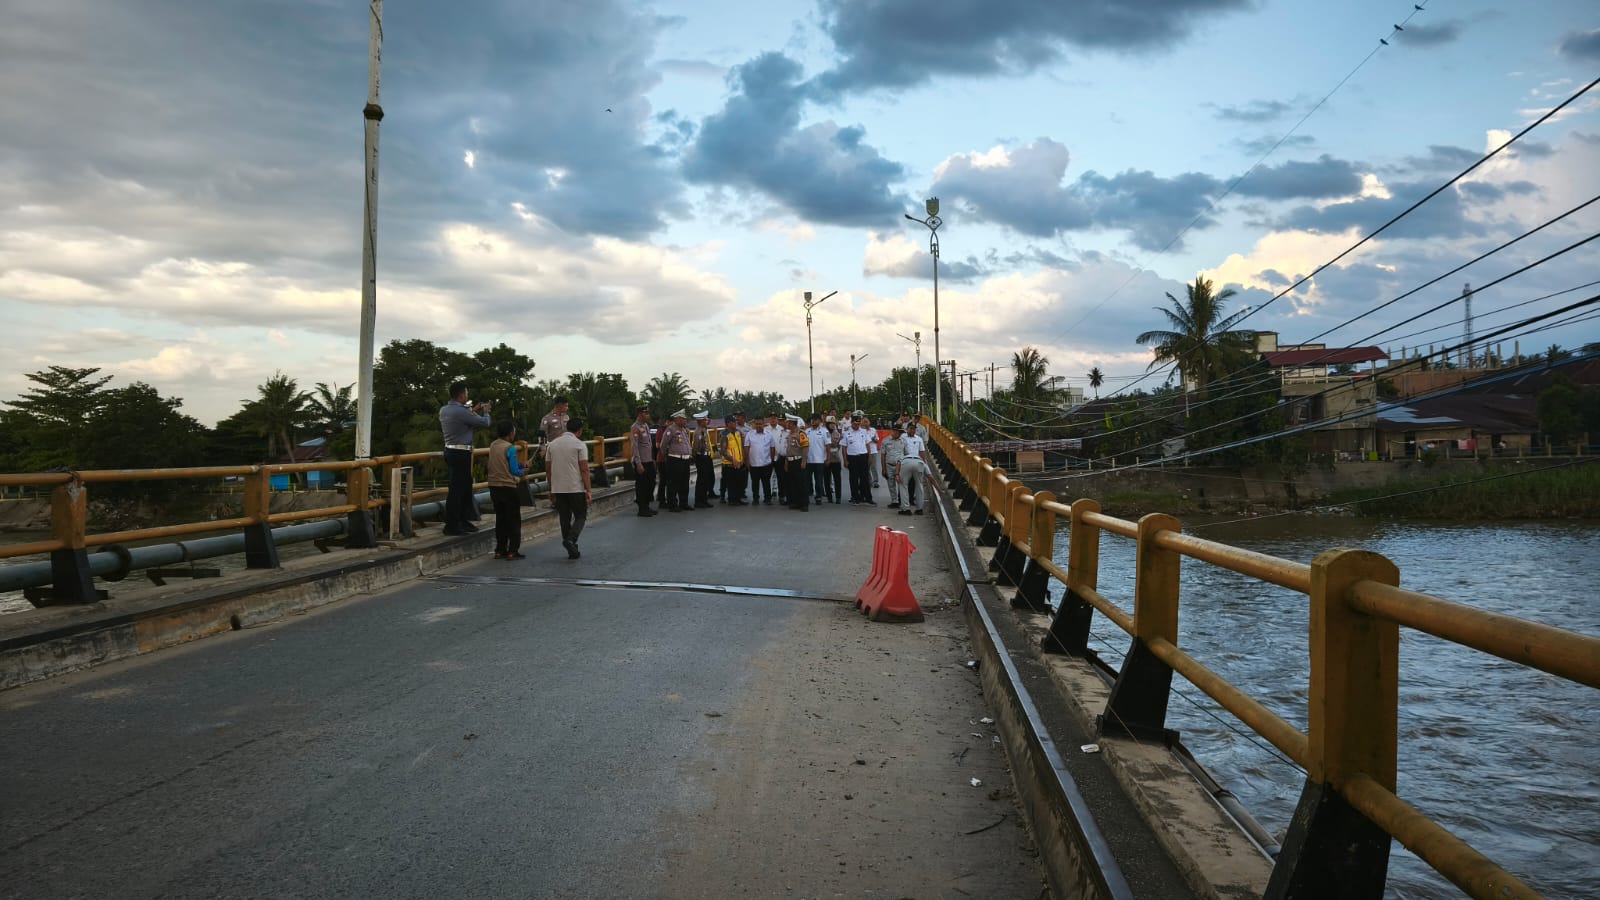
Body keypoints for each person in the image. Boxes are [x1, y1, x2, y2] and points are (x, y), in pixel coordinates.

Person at [439, 381, 491, 535]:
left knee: (465, 488)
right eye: (466, 393)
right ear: (461, 395)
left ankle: (462, 520)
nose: (467, 396)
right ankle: (452, 525)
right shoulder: (461, 412)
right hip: (461, 453)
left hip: (451, 451)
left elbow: (464, 421)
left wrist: (473, 410)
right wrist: (486, 411)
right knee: (457, 490)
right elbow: (485, 423)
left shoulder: (445, 410)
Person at [547, 418, 592, 559]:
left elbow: (548, 470)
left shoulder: (552, 445)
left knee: (564, 518)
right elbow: (584, 469)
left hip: (558, 487)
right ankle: (571, 540)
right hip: (575, 487)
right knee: (580, 516)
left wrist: (550, 489)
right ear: (579, 430)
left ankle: (571, 549)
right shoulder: (580, 445)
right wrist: (589, 490)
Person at [486, 419, 526, 559]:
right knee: (514, 519)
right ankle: (513, 550)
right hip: (508, 487)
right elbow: (514, 470)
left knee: (501, 519)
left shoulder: (493, 445)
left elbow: (503, 463)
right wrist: (523, 472)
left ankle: (500, 549)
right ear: (510, 433)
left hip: (494, 486)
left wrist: (522, 465)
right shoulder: (510, 447)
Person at [660, 409, 693, 512]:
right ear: (678, 419)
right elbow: (663, 445)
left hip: (685, 460)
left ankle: (684, 503)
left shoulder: (684, 430)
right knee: (673, 483)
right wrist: (666, 456)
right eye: (683, 419)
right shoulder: (670, 429)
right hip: (675, 459)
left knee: (684, 483)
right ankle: (672, 504)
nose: (685, 421)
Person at [629, 405, 657, 517]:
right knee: (642, 485)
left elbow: (648, 444)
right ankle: (642, 508)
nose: (648, 415)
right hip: (641, 461)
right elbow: (635, 446)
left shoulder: (645, 426)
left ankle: (647, 505)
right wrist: (638, 463)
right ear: (640, 414)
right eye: (646, 413)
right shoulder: (635, 427)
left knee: (651, 482)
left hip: (649, 459)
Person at [898, 421, 930, 516]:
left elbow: (922, 452)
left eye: (914, 429)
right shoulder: (902, 437)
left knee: (917, 485)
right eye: (910, 428)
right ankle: (906, 508)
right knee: (905, 484)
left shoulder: (919, 439)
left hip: (916, 461)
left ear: (916, 430)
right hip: (905, 461)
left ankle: (918, 508)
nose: (912, 430)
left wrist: (924, 465)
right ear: (907, 429)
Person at [842, 415, 874, 504]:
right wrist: (845, 460)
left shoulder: (864, 432)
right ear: (852, 423)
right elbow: (844, 447)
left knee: (865, 478)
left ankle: (867, 498)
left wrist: (870, 456)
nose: (857, 426)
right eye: (855, 424)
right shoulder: (846, 433)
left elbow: (867, 444)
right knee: (853, 479)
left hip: (863, 456)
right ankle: (855, 497)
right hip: (852, 457)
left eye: (858, 424)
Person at [745, 414, 776, 504]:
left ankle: (767, 498)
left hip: (766, 463)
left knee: (766, 482)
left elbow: (772, 448)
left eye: (760, 424)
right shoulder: (749, 435)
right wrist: (747, 461)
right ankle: (755, 498)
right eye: (757, 424)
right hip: (753, 464)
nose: (758, 426)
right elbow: (746, 448)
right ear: (754, 424)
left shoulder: (769, 434)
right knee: (755, 483)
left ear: (764, 424)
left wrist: (771, 461)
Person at [720, 411, 748, 505]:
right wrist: (733, 460)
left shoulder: (737, 433)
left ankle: (738, 499)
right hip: (729, 464)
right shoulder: (725, 435)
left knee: (739, 483)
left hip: (739, 462)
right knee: (731, 484)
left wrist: (743, 458)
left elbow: (740, 447)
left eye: (735, 422)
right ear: (728, 423)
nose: (735, 423)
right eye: (733, 422)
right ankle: (732, 500)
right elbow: (723, 451)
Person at [783, 415, 810, 511]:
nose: (786, 424)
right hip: (790, 461)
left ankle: (804, 504)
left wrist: (804, 461)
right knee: (792, 483)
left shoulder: (801, 433)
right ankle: (795, 502)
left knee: (801, 483)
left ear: (792, 424)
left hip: (798, 461)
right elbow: (788, 449)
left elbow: (805, 447)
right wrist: (786, 462)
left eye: (788, 423)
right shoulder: (789, 434)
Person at [691, 412, 716, 508]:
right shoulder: (698, 432)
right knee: (701, 480)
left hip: (707, 457)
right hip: (701, 457)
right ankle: (699, 501)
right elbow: (695, 446)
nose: (707, 421)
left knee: (706, 479)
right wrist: (694, 458)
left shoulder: (704, 429)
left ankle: (704, 499)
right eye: (705, 420)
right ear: (701, 421)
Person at [881, 423, 908, 509]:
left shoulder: (903, 441)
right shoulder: (885, 441)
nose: (900, 434)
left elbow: (907, 454)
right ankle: (894, 501)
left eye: (901, 432)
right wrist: (883, 468)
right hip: (889, 465)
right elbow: (883, 455)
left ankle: (901, 500)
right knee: (891, 484)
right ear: (894, 431)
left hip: (901, 466)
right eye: (899, 432)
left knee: (901, 483)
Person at [805, 414, 830, 502]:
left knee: (819, 480)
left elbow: (827, 446)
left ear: (819, 421)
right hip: (808, 460)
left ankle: (818, 496)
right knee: (807, 480)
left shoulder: (824, 431)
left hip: (819, 460)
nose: (813, 421)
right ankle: (806, 496)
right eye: (812, 419)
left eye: (815, 420)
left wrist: (828, 458)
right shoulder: (806, 431)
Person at [823, 417, 843, 503]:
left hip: (836, 459)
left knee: (837, 479)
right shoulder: (823, 432)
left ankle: (838, 497)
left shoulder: (837, 434)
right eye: (830, 423)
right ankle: (829, 497)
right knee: (826, 480)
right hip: (825, 459)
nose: (832, 425)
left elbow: (837, 445)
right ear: (827, 424)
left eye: (833, 423)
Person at [864, 414, 882, 488]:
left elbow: (877, 440)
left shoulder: (873, 430)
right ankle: (869, 481)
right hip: (865, 451)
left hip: (873, 451)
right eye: (864, 422)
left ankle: (875, 481)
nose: (866, 423)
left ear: (869, 422)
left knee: (873, 467)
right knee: (866, 467)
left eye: (867, 421)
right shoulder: (862, 431)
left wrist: (873, 439)